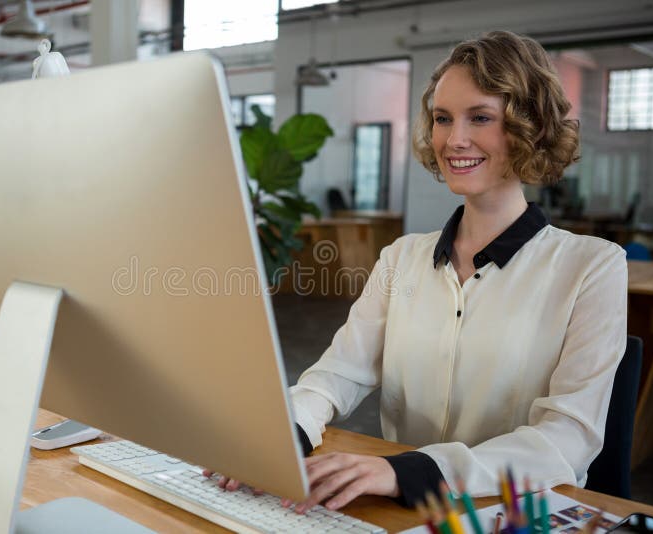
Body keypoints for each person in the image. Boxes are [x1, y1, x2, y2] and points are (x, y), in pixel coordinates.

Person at [214, 30, 628, 510]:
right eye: (442, 118)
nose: (454, 139)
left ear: (529, 128)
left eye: (480, 117)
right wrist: (282, 435)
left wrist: (410, 471)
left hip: (514, 512)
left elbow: (568, 439)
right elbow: (336, 375)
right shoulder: (401, 257)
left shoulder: (592, 266)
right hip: (403, 508)